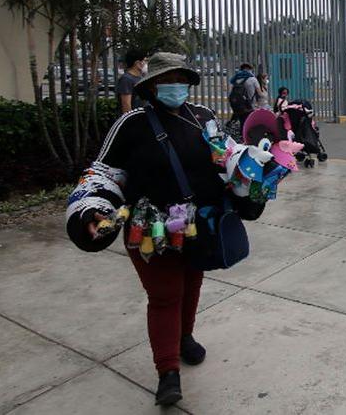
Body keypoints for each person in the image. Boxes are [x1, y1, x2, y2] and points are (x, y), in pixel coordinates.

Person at [65, 53, 268, 406]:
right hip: (151, 229)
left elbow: (226, 160)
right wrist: (92, 210)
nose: (175, 85)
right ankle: (167, 371)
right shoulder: (132, 124)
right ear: (151, 85)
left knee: (191, 284)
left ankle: (184, 337)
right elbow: (103, 173)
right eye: (167, 78)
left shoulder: (203, 117)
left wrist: (252, 180)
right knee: (165, 295)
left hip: (198, 225)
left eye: (181, 78)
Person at [116, 48, 149, 113]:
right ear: (137, 63)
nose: (146, 63)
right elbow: (126, 106)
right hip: (134, 120)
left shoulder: (141, 77)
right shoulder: (126, 80)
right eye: (145, 61)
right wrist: (132, 122)